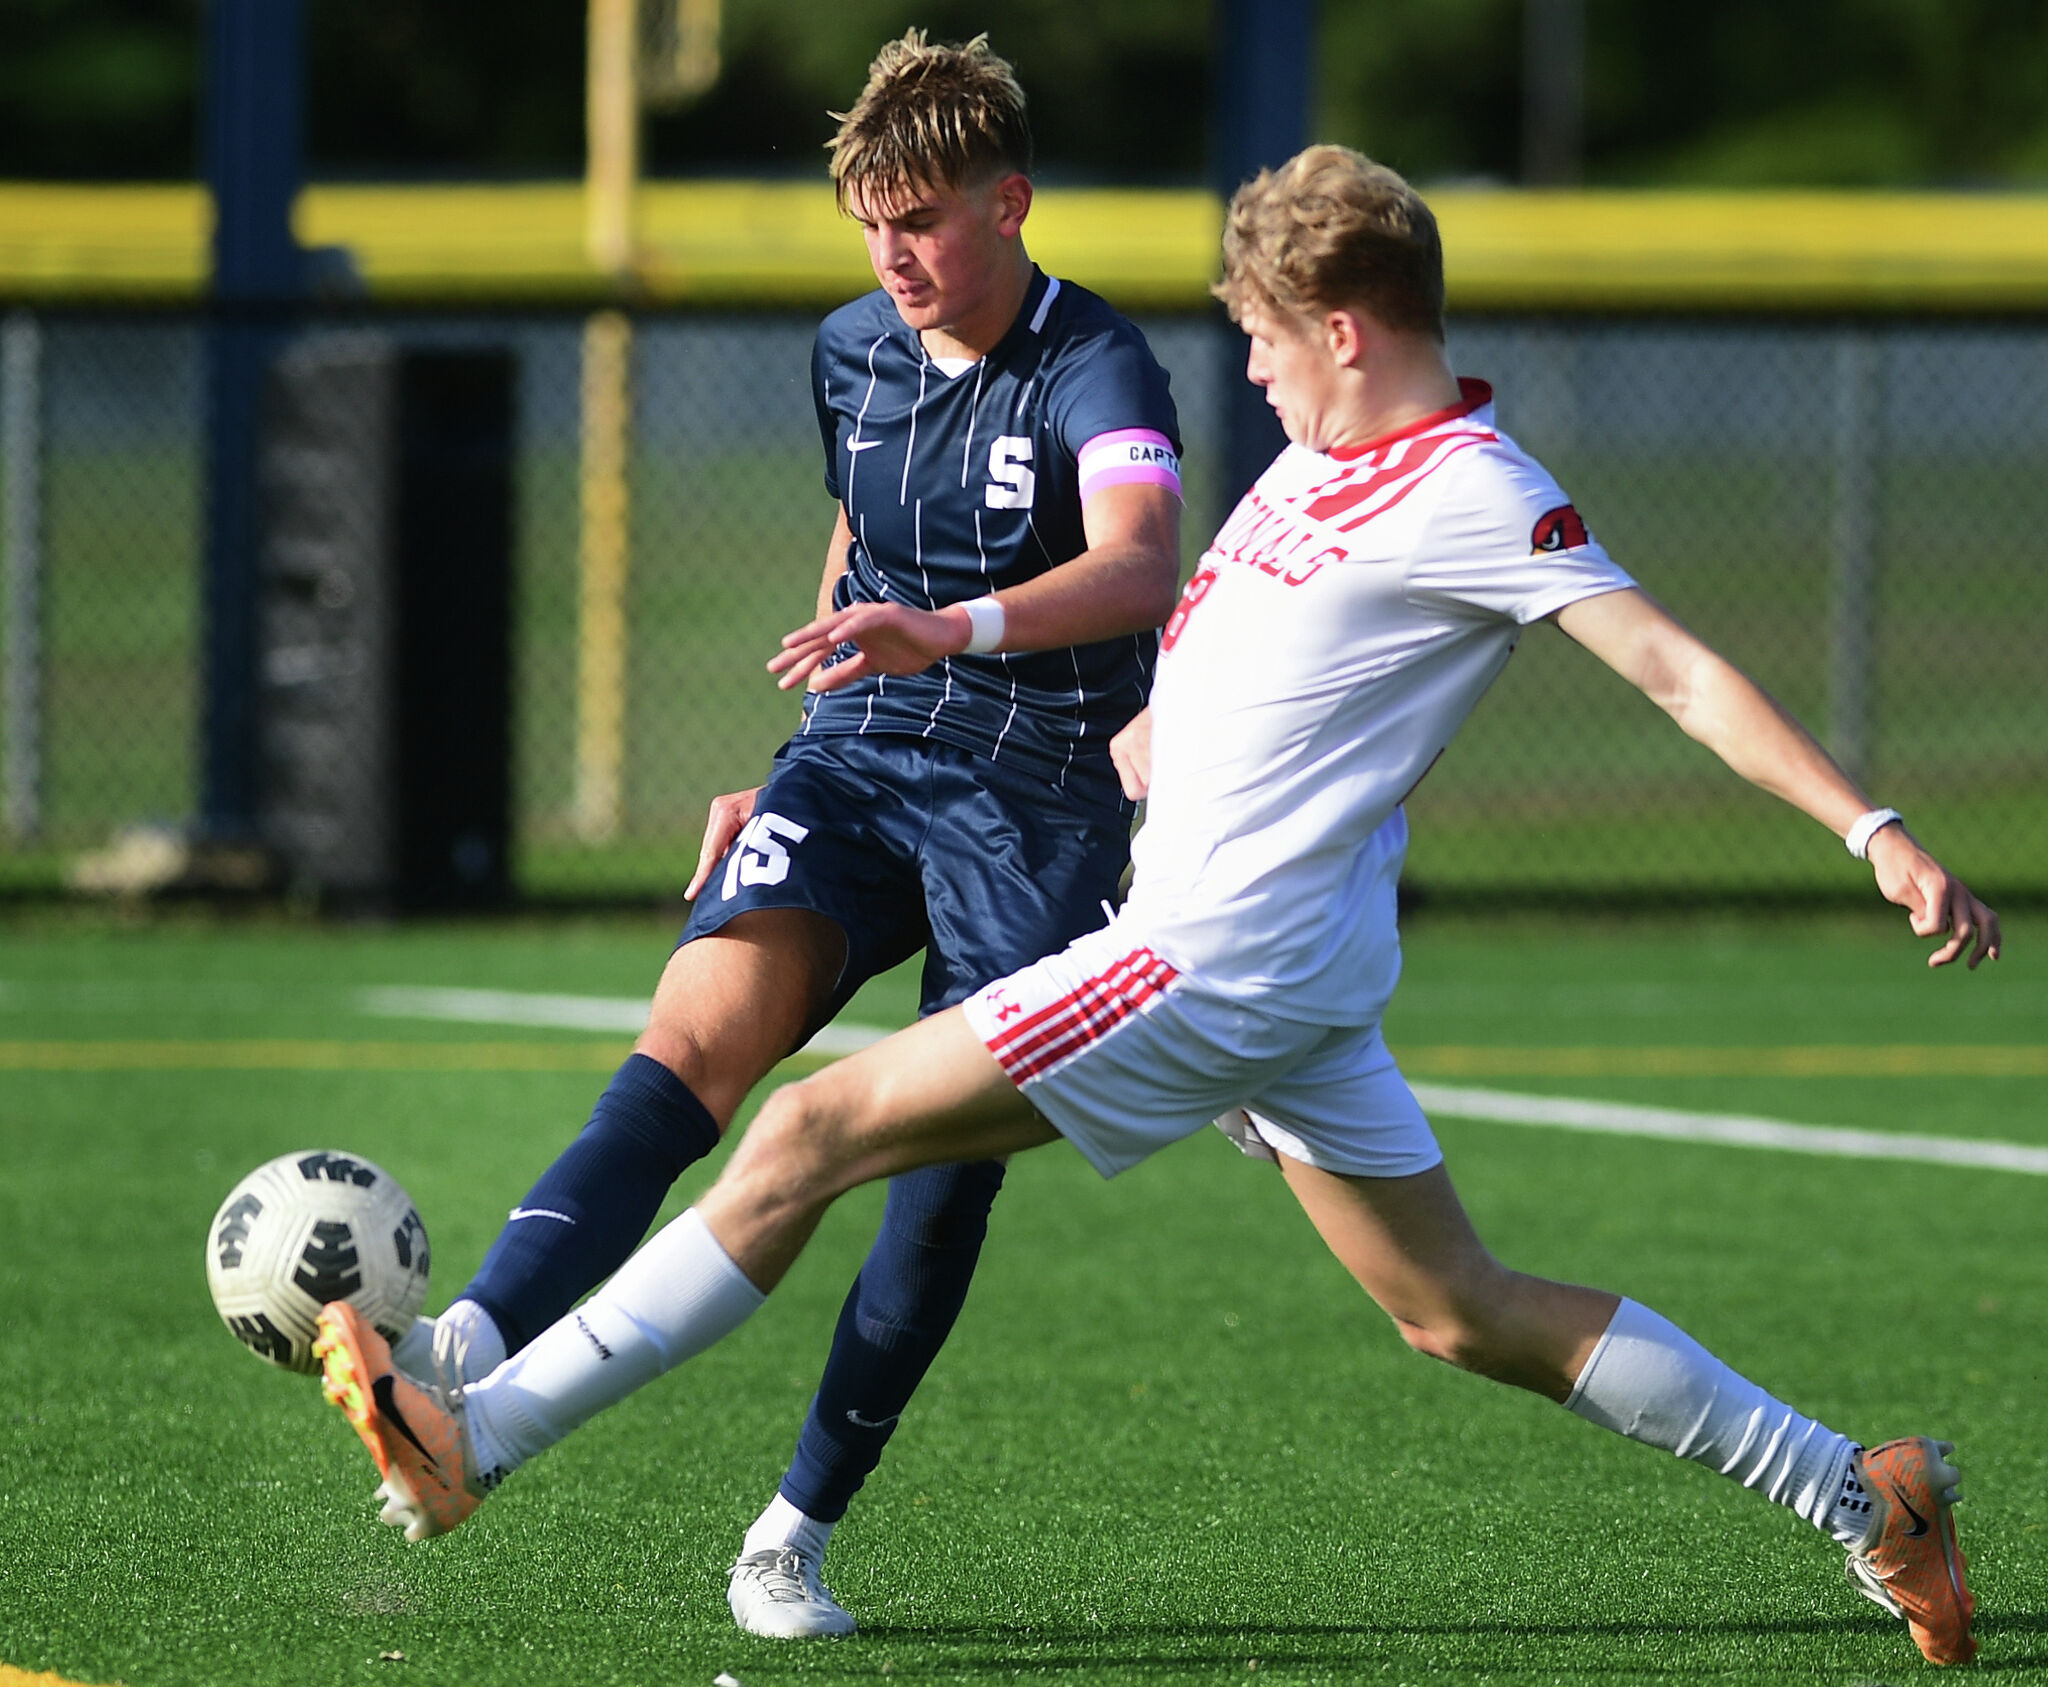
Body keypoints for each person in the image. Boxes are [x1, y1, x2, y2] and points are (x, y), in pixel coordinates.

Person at [318, 145, 1998, 1668]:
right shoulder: (1317, 459)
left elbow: (1677, 671)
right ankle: (1869, 1498)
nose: (1248, 371)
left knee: (809, 1130)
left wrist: (1874, 830)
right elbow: (1243, 668)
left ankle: (484, 1437)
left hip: (1214, 962)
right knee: (1457, 1309)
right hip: (1293, 975)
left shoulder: (1472, 488)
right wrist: (1131, 745)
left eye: (1263, 339)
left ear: (1344, 329)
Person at [378, 29, 1184, 1641]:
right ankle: (461, 1351)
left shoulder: (1100, 363)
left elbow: (1144, 559)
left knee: (936, 1172)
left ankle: (793, 1533)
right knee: (691, 1044)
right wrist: (800, 748)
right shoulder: (850, 351)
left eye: (922, 220)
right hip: (862, 756)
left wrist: (946, 629)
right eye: (869, 223)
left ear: (1011, 202)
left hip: (1038, 802)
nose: (893, 255)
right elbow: (853, 542)